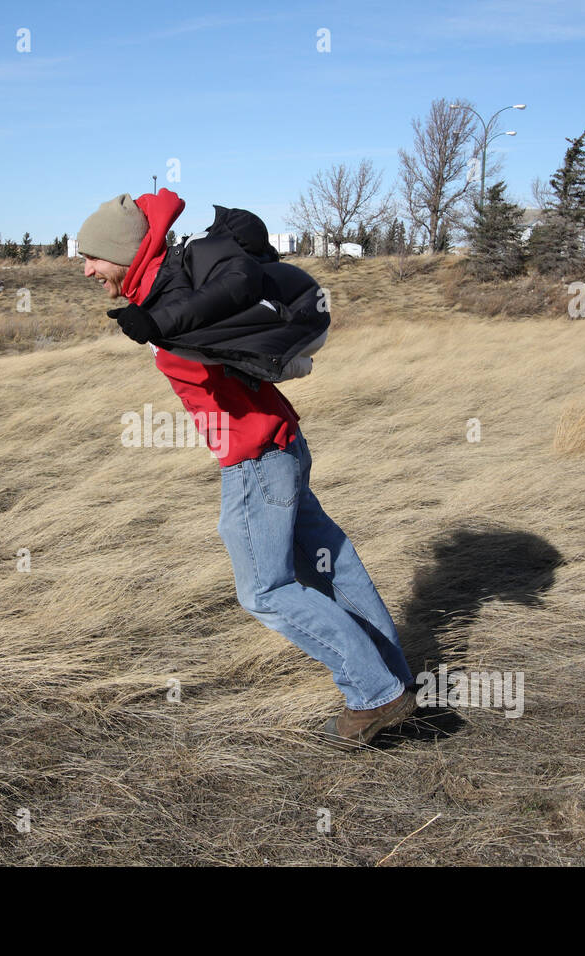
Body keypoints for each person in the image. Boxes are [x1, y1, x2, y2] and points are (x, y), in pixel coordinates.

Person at [79, 188, 417, 749]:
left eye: (92, 257)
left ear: (125, 252)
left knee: (266, 590)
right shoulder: (175, 292)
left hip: (257, 460)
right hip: (281, 446)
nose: (88, 270)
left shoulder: (179, 305)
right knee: (333, 565)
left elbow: (232, 305)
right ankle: (394, 679)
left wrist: (162, 323)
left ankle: (376, 693)